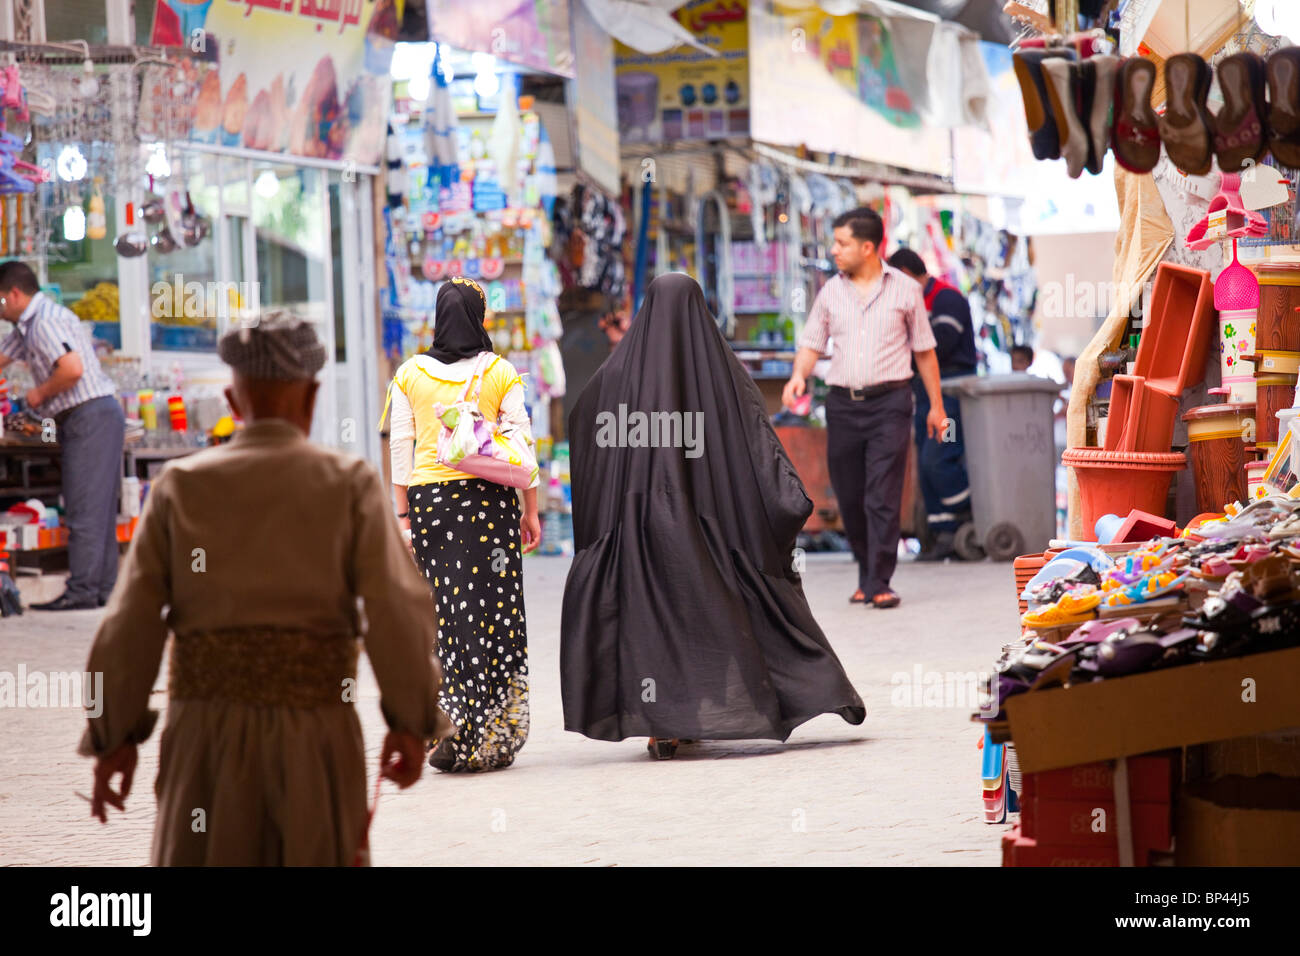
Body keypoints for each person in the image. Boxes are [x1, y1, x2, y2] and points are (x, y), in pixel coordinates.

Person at [80, 313, 452, 865]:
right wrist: (411, 721)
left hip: (204, 737)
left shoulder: (180, 488)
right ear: (313, 398)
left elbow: (127, 625)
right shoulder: (349, 485)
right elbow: (397, 611)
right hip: (316, 737)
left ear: (233, 401)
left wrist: (113, 738)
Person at [562, 273, 865, 760]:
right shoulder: (724, 378)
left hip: (639, 527)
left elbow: (584, 425)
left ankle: (665, 720)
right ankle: (707, 707)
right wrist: (778, 503)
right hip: (709, 526)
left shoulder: (616, 380)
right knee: (715, 612)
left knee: (650, 620)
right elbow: (757, 445)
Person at [385, 276, 540, 773]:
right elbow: (523, 443)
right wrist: (530, 509)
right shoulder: (499, 371)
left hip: (433, 508)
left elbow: (400, 449)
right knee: (493, 617)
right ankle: (491, 733)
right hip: (489, 507)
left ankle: (449, 724)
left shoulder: (408, 374)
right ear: (478, 318)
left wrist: (403, 515)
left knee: (447, 616)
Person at [783, 208, 946, 609]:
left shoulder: (906, 291)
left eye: (842, 243)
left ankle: (880, 580)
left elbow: (925, 353)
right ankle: (865, 571)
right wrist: (798, 376)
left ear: (868, 247)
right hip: (842, 406)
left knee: (882, 494)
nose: (834, 250)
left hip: (891, 403)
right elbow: (811, 344)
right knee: (850, 495)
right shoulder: (830, 292)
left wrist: (936, 408)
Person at [0, 262, 126, 610]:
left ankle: (83, 592)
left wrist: (38, 395)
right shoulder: (26, 326)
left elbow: (71, 369)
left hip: (90, 415)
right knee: (97, 510)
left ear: (14, 294)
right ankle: (101, 591)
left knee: (85, 509)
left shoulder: (44, 322)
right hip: (94, 416)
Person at [886, 247, 977, 561]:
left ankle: (968, 511)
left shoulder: (947, 299)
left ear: (907, 275)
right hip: (924, 395)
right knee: (925, 464)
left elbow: (939, 345)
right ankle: (943, 532)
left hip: (949, 396)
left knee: (940, 456)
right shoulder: (914, 303)